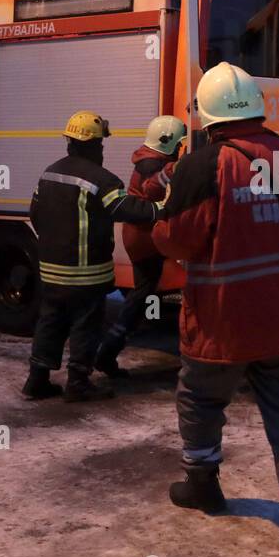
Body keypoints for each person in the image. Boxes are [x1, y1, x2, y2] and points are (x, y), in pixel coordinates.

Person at [152, 62, 279, 557]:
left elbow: (175, 239)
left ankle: (202, 481)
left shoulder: (201, 165)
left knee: (200, 397)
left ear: (208, 116)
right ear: (257, 106)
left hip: (221, 320)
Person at [22, 111, 162, 403]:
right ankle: (78, 383)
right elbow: (126, 210)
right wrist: (161, 209)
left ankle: (37, 380)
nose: (102, 150)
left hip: (51, 270)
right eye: (100, 145)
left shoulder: (49, 172)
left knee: (51, 320)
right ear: (91, 145)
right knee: (85, 324)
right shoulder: (102, 180)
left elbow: (35, 215)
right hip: (87, 273)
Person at [94, 115, 186, 378]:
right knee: (142, 296)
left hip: (141, 238)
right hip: (146, 239)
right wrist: (170, 174)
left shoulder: (151, 159)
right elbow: (151, 189)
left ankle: (109, 350)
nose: (180, 148)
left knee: (143, 295)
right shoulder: (152, 164)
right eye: (178, 144)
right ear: (168, 141)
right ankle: (107, 352)